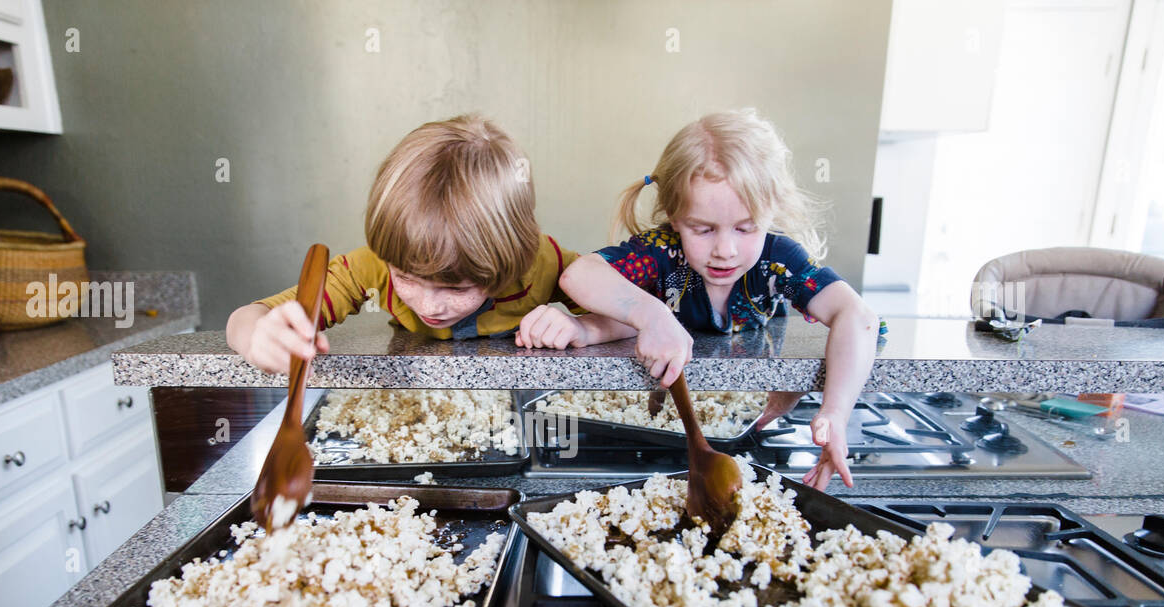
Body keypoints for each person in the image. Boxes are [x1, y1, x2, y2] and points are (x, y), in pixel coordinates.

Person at [515, 108, 880, 491]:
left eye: (745, 227)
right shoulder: (663, 253)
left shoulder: (778, 260)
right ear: (674, 216)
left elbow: (857, 316)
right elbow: (580, 274)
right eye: (703, 229)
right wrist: (616, 322)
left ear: (772, 212)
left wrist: (835, 412)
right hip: (652, 433)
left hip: (749, 419)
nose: (725, 249)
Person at [227, 115, 586, 374]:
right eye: (408, 279)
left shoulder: (545, 264)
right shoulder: (373, 265)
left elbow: (638, 309)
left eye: (456, 287)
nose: (429, 304)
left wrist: (588, 327)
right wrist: (257, 335)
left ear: (512, 261)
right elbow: (244, 318)